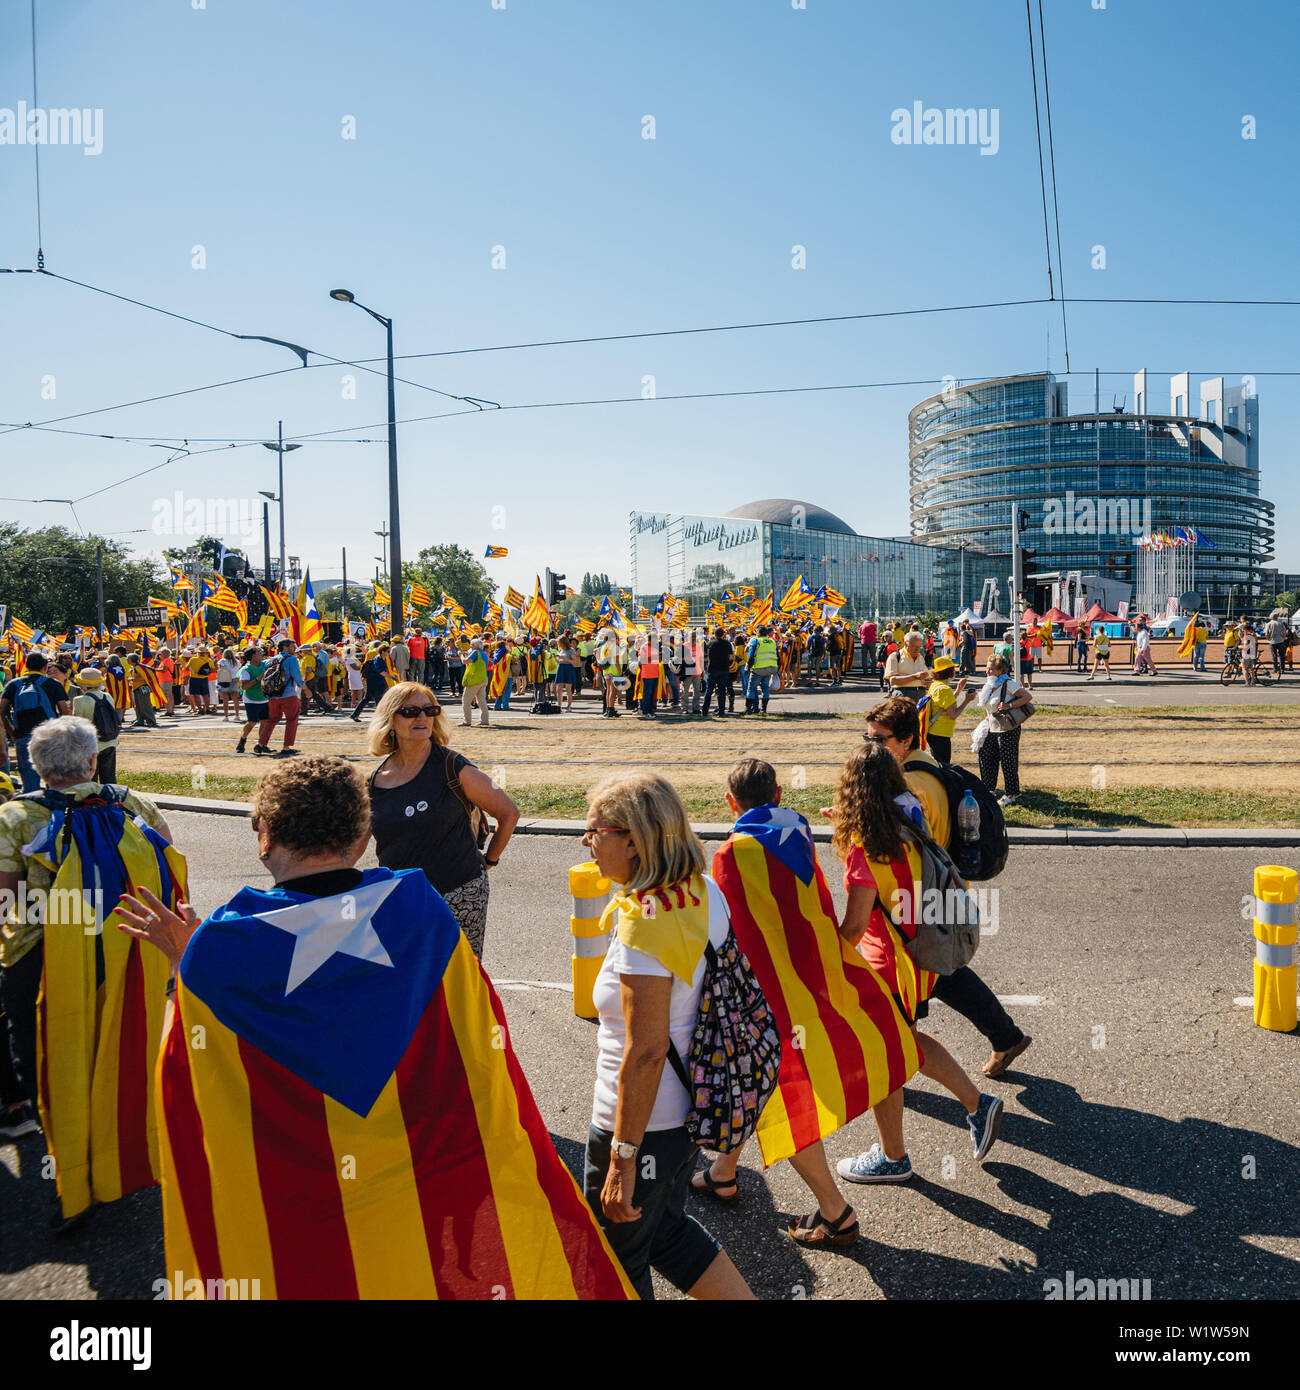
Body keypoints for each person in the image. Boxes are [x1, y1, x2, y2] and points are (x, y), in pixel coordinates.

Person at [117, 754, 632, 1300]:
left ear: (264, 837)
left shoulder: (217, 952)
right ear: (363, 837)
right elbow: (475, 1036)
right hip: (424, 1176)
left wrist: (186, 965)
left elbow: (193, 1091)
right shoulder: (421, 910)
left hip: (304, 1205)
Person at [695, 759, 918, 1247]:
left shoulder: (730, 854)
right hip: (817, 971)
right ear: (778, 793)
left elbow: (732, 932)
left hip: (769, 992)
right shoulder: (799, 831)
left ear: (732, 802)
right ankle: (722, 1172)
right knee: (759, 1082)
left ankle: (836, 1214)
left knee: (782, 1094)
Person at [0, 716, 179, 1228]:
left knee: (53, 1059)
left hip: (43, 959)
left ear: (34, 765)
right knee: (123, 1047)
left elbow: (4, 898)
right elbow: (167, 866)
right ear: (93, 760)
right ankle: (128, 1154)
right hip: (127, 947)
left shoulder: (16, 817)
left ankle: (70, 1175)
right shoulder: (130, 801)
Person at [580, 771, 754, 1300]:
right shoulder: (701, 891)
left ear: (633, 839)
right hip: (689, 1109)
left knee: (615, 1256)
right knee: (666, 1233)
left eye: (595, 831)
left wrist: (621, 1158)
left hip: (640, 1120)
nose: (587, 841)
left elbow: (646, 1050)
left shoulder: (643, 925)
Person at [826, 744, 1004, 1184]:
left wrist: (819, 954)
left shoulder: (864, 851)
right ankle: (977, 1106)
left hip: (884, 969)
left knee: (885, 1061)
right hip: (917, 960)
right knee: (906, 1045)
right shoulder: (911, 828)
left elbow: (853, 927)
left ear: (851, 792)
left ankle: (894, 1157)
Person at [864, 697, 1032, 1079]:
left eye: (879, 740)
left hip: (917, 900)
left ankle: (897, 1066)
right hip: (939, 891)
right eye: (868, 738)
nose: (871, 747)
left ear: (905, 740)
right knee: (942, 974)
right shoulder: (926, 767)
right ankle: (1005, 1037)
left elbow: (900, 848)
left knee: (918, 979)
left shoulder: (910, 787)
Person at [365, 683, 517, 958]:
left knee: (459, 981)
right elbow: (355, 842)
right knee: (410, 980)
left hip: (458, 893)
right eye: (410, 711)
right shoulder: (375, 781)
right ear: (390, 719)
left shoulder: (454, 767)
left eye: (429, 710)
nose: (421, 717)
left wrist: (489, 860)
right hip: (402, 897)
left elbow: (508, 812)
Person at [961, 653, 1032, 806]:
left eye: (990, 669)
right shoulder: (990, 684)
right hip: (991, 726)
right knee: (986, 757)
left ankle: (1011, 794)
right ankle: (989, 790)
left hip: (1008, 728)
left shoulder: (1008, 683)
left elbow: (1027, 696)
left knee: (1008, 762)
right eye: (987, 668)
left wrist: (1009, 705)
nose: (987, 672)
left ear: (1000, 671)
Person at [1, 653, 72, 792]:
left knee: (29, 779)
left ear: (26, 666)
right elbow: (65, 710)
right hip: (50, 735)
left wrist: (12, 732)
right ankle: (53, 808)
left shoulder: (14, 684)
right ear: (45, 667)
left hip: (23, 735)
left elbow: (1, 710)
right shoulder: (53, 684)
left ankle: (31, 807)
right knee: (53, 778)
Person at [70, 668, 122, 782]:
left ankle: (93, 799)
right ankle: (110, 798)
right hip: (109, 742)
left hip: (90, 745)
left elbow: (77, 724)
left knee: (90, 778)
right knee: (109, 777)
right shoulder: (108, 696)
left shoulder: (79, 700)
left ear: (82, 685)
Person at [257, 638, 304, 757]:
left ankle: (261, 743)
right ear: (286, 647)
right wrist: (305, 688)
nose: (295, 648)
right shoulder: (292, 660)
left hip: (273, 695)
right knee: (292, 720)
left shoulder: (269, 661)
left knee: (272, 720)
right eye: (293, 646)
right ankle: (286, 747)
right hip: (288, 694)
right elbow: (297, 677)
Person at [921, 655, 962, 763]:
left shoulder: (935, 685)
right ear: (949, 671)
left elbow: (944, 704)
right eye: (953, 669)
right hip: (941, 732)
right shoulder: (945, 689)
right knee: (943, 765)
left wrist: (957, 691)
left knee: (938, 763)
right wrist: (967, 700)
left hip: (932, 730)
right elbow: (953, 714)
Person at [235, 644, 268, 755]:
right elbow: (244, 686)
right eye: (259, 652)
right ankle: (242, 740)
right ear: (253, 656)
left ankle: (262, 744)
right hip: (251, 699)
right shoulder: (246, 669)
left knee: (264, 722)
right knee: (252, 722)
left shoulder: (265, 665)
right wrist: (258, 679)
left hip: (264, 697)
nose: (261, 653)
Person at [884, 628, 932, 701]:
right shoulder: (895, 656)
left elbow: (925, 678)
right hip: (903, 694)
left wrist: (927, 681)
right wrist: (915, 677)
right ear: (906, 644)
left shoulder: (920, 658)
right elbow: (893, 680)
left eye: (919, 647)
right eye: (914, 646)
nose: (917, 649)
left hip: (921, 694)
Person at [349, 644, 391, 723]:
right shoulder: (378, 659)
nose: (389, 653)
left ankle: (355, 714)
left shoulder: (380, 658)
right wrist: (391, 677)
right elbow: (380, 671)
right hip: (376, 682)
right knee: (379, 699)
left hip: (375, 681)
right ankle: (380, 718)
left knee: (367, 699)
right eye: (388, 651)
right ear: (383, 652)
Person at [743, 625, 778, 715]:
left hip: (758, 669)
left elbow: (750, 656)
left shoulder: (756, 641)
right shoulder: (772, 641)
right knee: (765, 688)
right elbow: (778, 656)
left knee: (751, 688)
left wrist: (747, 668)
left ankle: (748, 709)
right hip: (770, 668)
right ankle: (764, 709)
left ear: (758, 633)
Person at [460, 637, 491, 727]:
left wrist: (461, 655)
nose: (470, 646)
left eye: (472, 644)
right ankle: (484, 720)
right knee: (481, 701)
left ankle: (467, 721)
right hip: (483, 678)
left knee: (466, 700)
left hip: (475, 679)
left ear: (476, 646)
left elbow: (465, 661)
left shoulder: (475, 652)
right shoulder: (484, 653)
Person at [703, 626, 731, 718]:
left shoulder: (710, 643)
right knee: (722, 691)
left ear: (714, 634)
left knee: (709, 690)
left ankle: (705, 711)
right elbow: (731, 656)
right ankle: (721, 712)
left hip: (712, 669)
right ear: (723, 634)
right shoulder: (727, 643)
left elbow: (706, 656)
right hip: (724, 669)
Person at [636, 633, 661, 719]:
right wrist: (654, 657)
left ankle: (650, 711)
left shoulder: (655, 647)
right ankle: (646, 712)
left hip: (655, 673)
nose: (656, 641)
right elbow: (642, 660)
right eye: (655, 639)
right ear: (650, 639)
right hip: (647, 674)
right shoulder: (644, 647)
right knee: (647, 694)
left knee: (652, 694)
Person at [555, 634, 581, 711]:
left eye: (559, 642)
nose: (558, 644)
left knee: (568, 689)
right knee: (558, 689)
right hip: (561, 668)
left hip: (569, 668)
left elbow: (574, 662)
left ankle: (569, 706)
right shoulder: (560, 650)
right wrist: (555, 658)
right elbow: (559, 662)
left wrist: (564, 658)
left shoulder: (571, 650)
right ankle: (559, 706)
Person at [186, 645, 214, 715]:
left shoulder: (193, 659)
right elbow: (212, 670)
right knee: (205, 694)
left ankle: (200, 709)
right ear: (205, 653)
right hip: (204, 678)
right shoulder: (209, 660)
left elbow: (187, 667)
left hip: (194, 678)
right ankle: (207, 708)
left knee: (196, 695)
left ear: (198, 653)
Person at [216, 647, 239, 720]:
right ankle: (237, 716)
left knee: (225, 700)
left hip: (224, 680)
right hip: (235, 680)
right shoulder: (237, 662)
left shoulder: (222, 661)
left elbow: (219, 670)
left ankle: (226, 716)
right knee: (235, 699)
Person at [156, 648, 176, 716]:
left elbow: (164, 670)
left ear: (165, 654)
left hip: (165, 680)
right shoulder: (166, 660)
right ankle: (170, 710)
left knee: (165, 695)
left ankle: (169, 711)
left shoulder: (167, 660)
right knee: (169, 695)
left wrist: (155, 669)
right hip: (166, 680)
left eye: (161, 653)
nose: (160, 655)